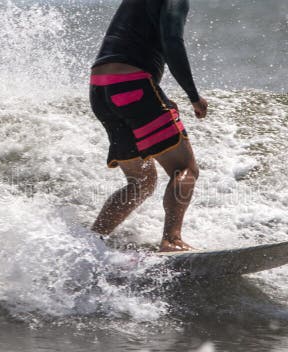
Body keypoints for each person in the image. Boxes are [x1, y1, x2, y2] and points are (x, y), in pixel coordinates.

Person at [89, 0, 208, 252]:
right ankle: (172, 240)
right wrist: (193, 95)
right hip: (132, 86)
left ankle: (92, 243)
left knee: (141, 181)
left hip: (100, 89)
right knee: (184, 168)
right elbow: (172, 42)